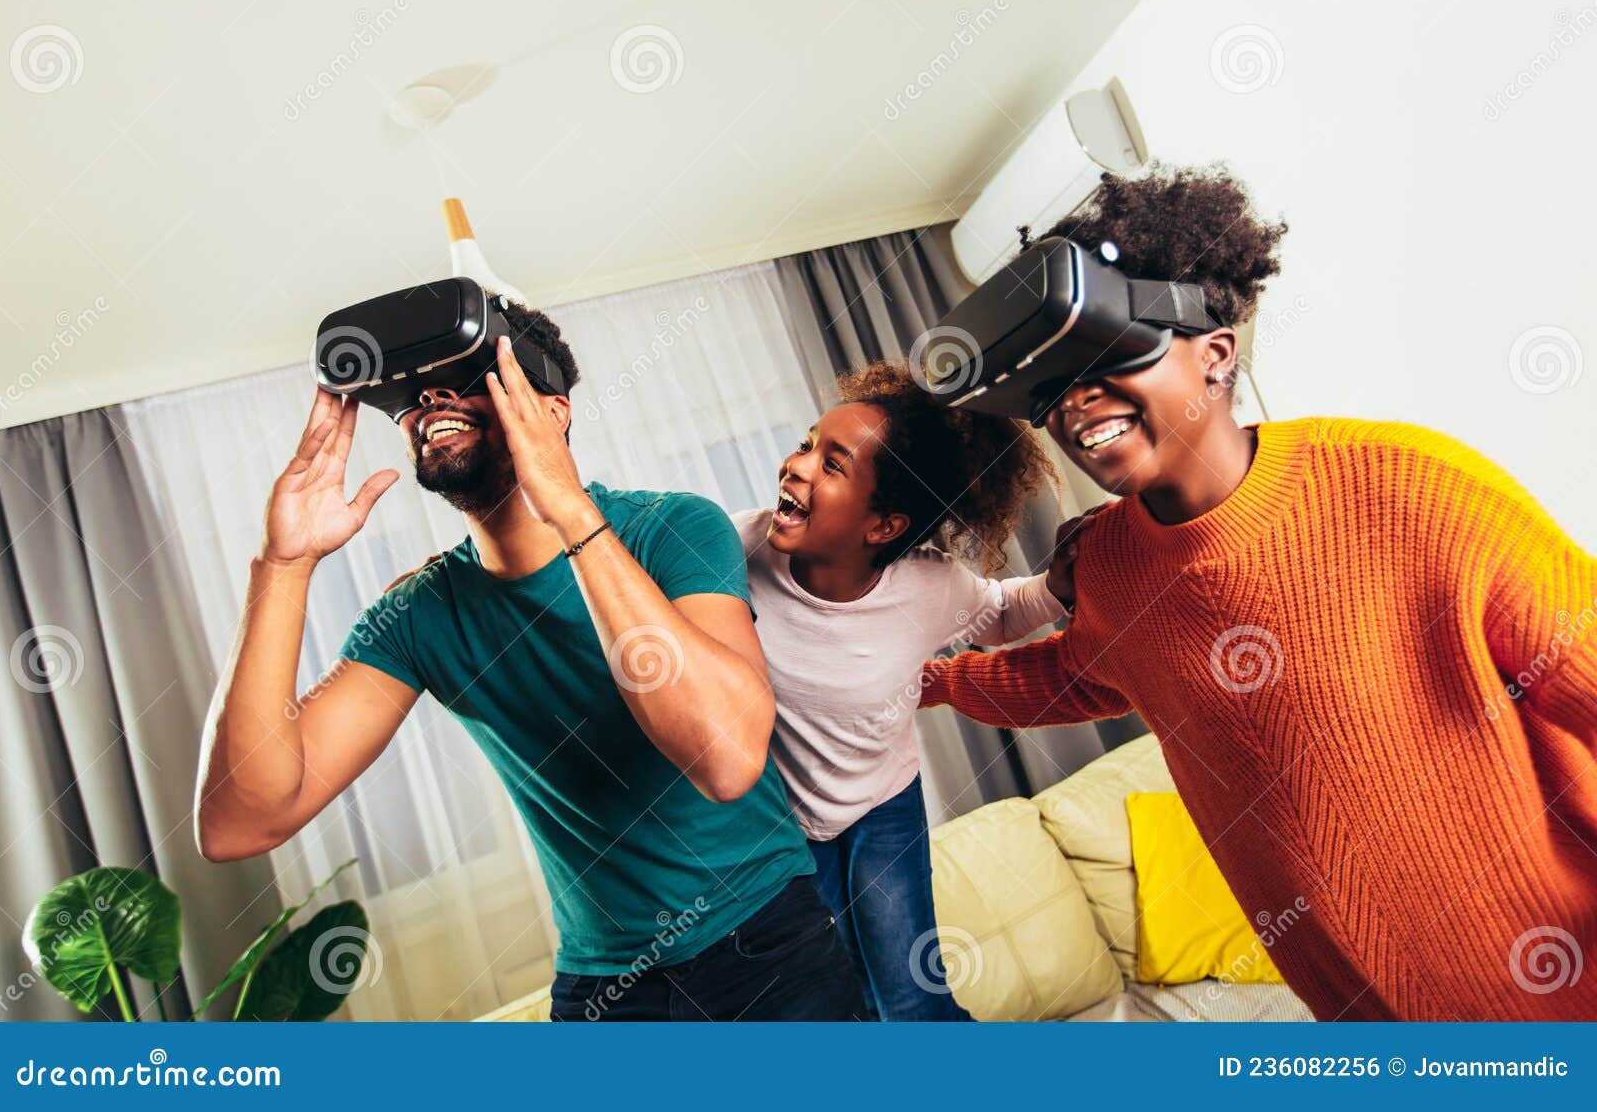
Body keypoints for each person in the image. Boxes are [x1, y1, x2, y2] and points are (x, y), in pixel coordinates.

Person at [920, 163, 1597, 1021]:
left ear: (1215, 354)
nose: (1075, 401)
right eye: (1050, 388)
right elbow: (1078, 675)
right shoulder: (1112, 567)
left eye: (1108, 355)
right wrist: (930, 680)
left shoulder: (1411, 488)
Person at [195, 304, 867, 1022]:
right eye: (415, 392)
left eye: (466, 378)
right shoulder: (420, 613)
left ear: (552, 412)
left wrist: (570, 510)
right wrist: (285, 565)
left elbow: (728, 758)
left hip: (769, 948)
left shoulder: (670, 527)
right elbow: (239, 823)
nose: (431, 400)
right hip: (603, 994)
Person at [733, 361, 1064, 1020]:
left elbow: (1000, 612)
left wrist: (1063, 585)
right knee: (840, 997)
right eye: (806, 444)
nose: (795, 467)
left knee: (910, 997)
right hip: (789, 823)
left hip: (883, 805)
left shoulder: (927, 587)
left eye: (833, 465)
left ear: (882, 525)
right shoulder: (735, 547)